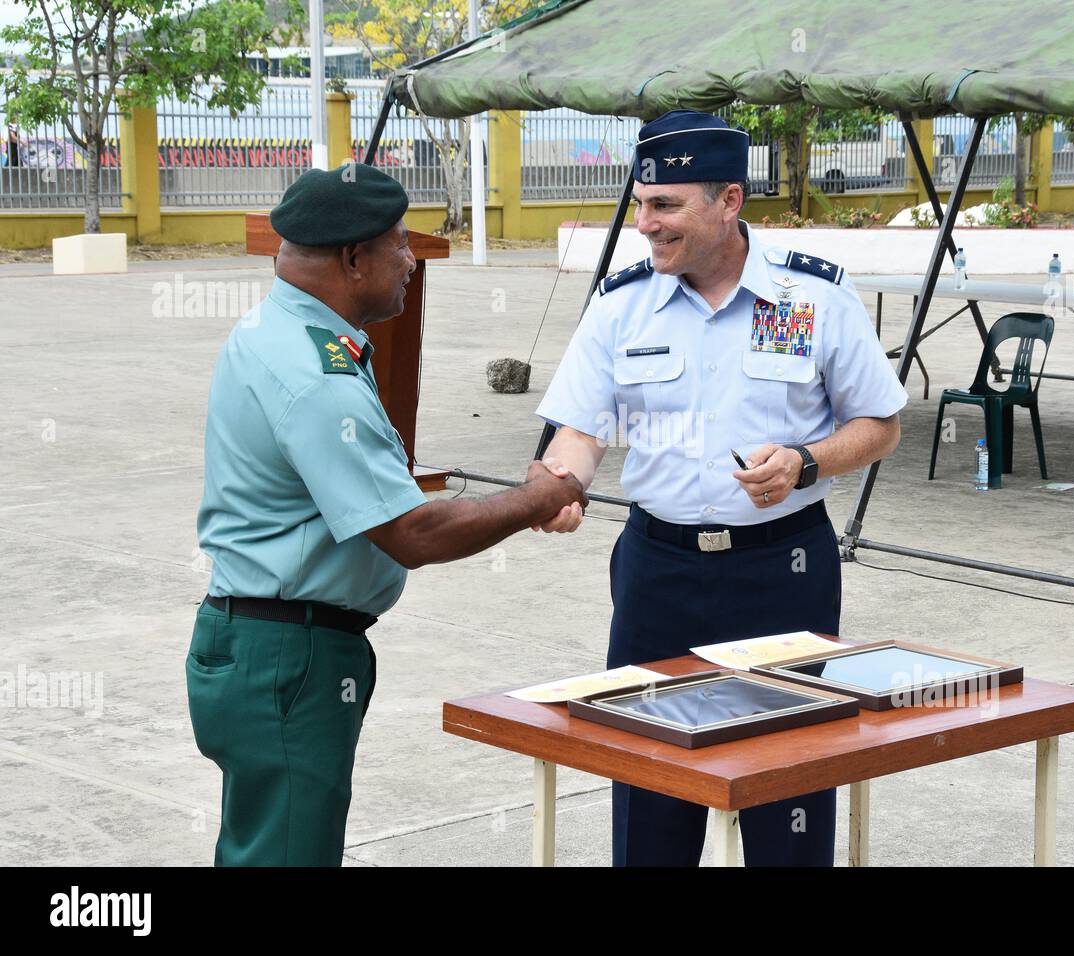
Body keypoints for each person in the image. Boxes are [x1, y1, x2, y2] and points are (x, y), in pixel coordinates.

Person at [532, 110, 908, 866]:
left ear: (729, 201)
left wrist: (808, 460)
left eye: (664, 205)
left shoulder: (812, 297)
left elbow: (880, 424)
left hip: (782, 573)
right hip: (656, 574)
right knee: (649, 790)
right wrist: (557, 487)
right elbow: (579, 428)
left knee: (786, 786)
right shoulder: (621, 303)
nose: (644, 224)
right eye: (641, 203)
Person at [187, 162, 586, 866]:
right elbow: (411, 533)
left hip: (263, 642)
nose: (410, 260)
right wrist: (538, 497)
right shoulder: (316, 376)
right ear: (352, 258)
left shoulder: (277, 328)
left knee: (269, 847)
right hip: (289, 655)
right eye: (399, 244)